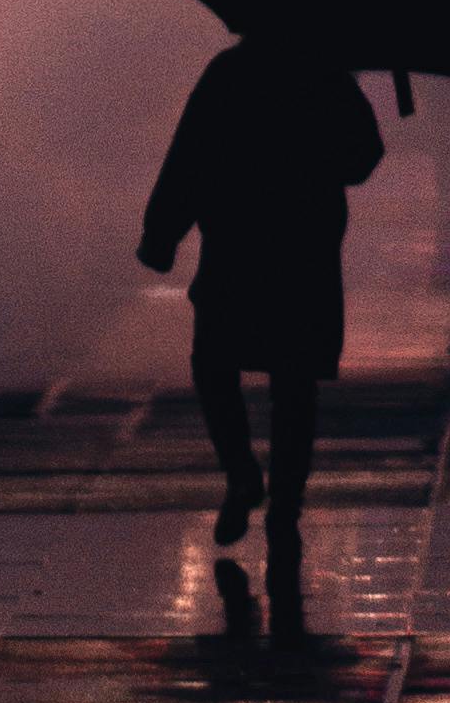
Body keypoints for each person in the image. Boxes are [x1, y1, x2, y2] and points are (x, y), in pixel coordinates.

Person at [139, 31, 386, 550]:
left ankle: (241, 473)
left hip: (236, 240)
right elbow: (363, 157)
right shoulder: (326, 75)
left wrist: (162, 233)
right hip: (304, 246)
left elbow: (188, 156)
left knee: (214, 363)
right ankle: (286, 505)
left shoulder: (227, 73)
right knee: (294, 383)